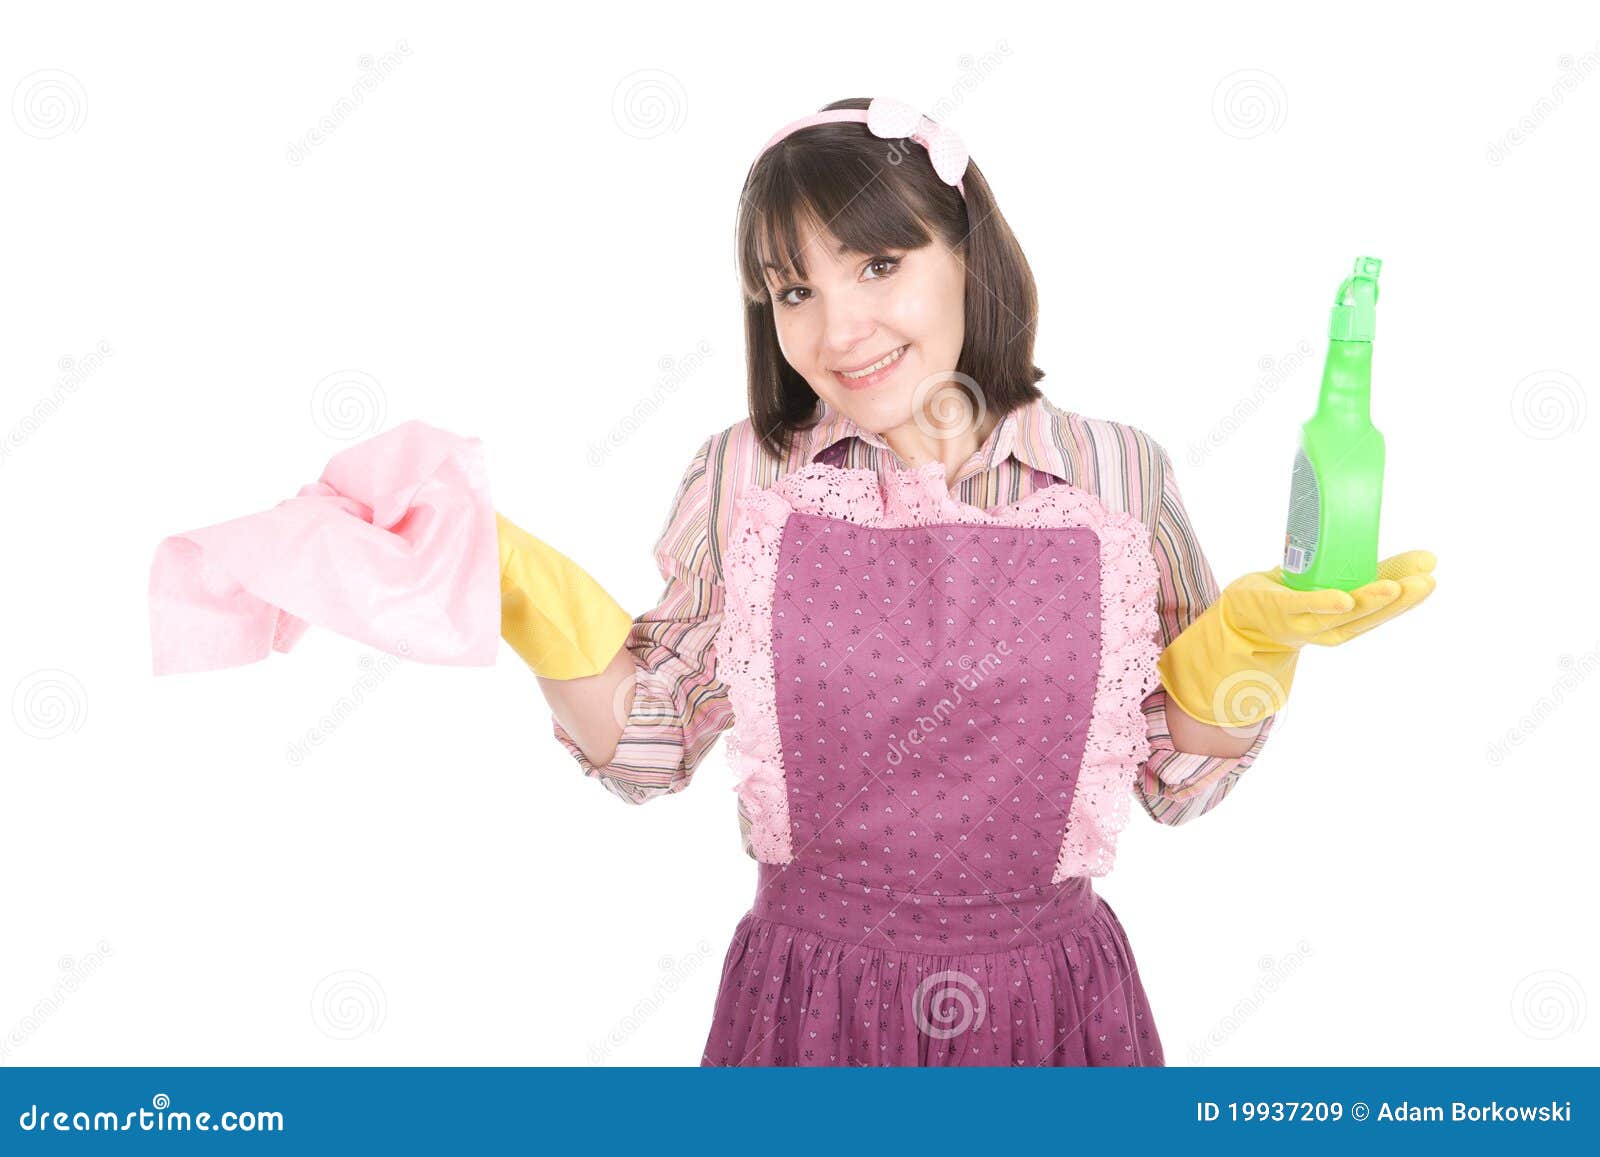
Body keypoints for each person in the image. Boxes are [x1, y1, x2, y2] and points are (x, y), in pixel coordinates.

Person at [498, 96, 1437, 1066]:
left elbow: (1170, 777)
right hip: (811, 1003)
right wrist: (515, 588)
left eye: (877, 264)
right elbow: (650, 747)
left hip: (1052, 1002)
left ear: (967, 254)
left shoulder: (1113, 471)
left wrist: (1249, 646)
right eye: (792, 291)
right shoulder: (746, 476)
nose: (837, 328)